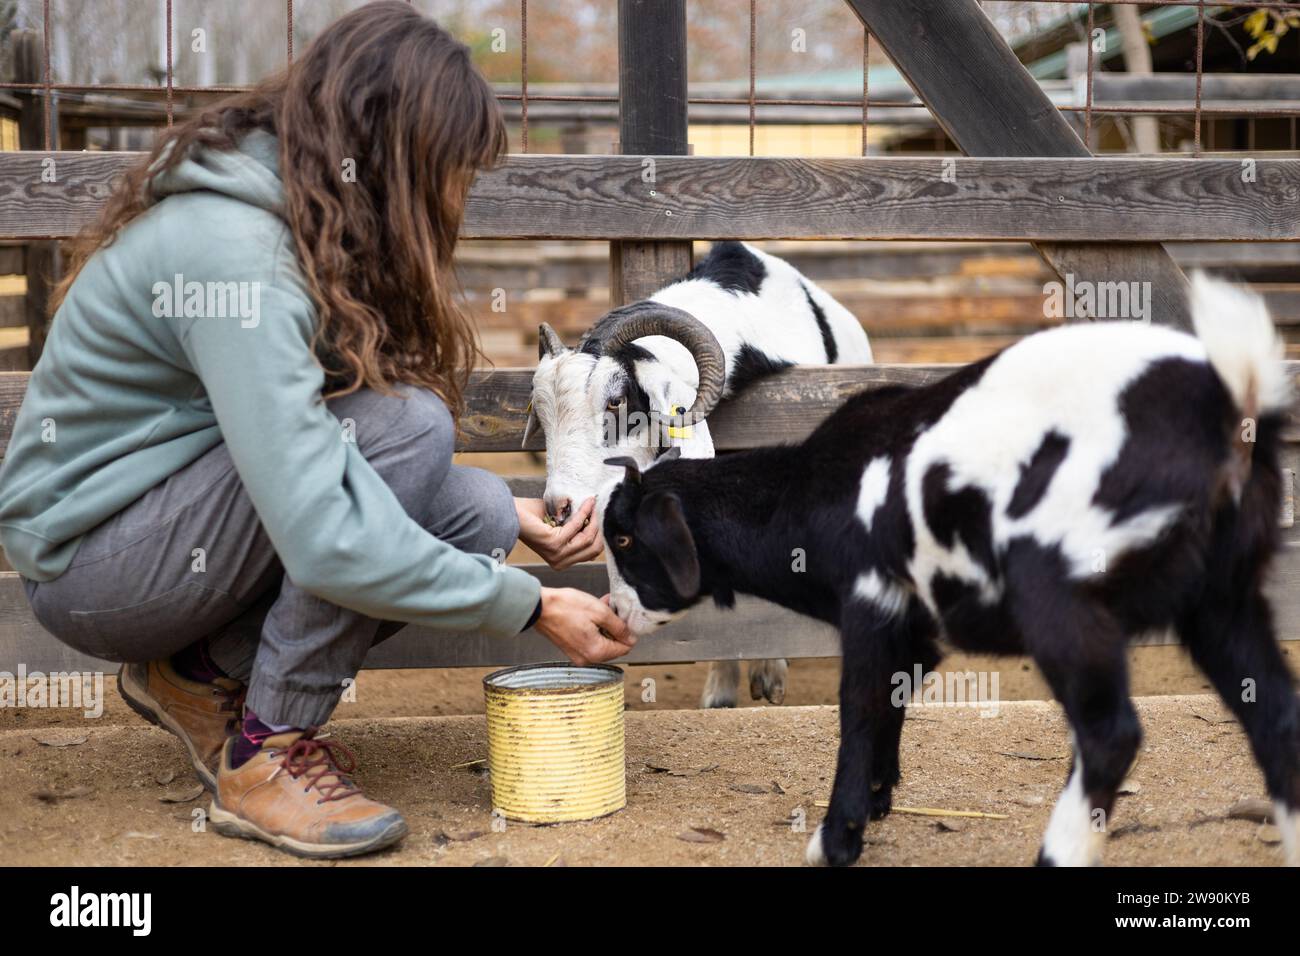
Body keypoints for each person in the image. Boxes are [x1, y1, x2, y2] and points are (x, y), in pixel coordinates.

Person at [0, 2, 633, 860]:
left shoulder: (300, 223)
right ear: (393, 151)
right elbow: (327, 533)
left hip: (163, 531)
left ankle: (198, 678)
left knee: (477, 510)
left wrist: (511, 522)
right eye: (449, 169)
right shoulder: (239, 256)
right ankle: (265, 752)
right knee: (410, 429)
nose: (455, 197)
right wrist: (531, 603)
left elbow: (313, 450)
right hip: (92, 565)